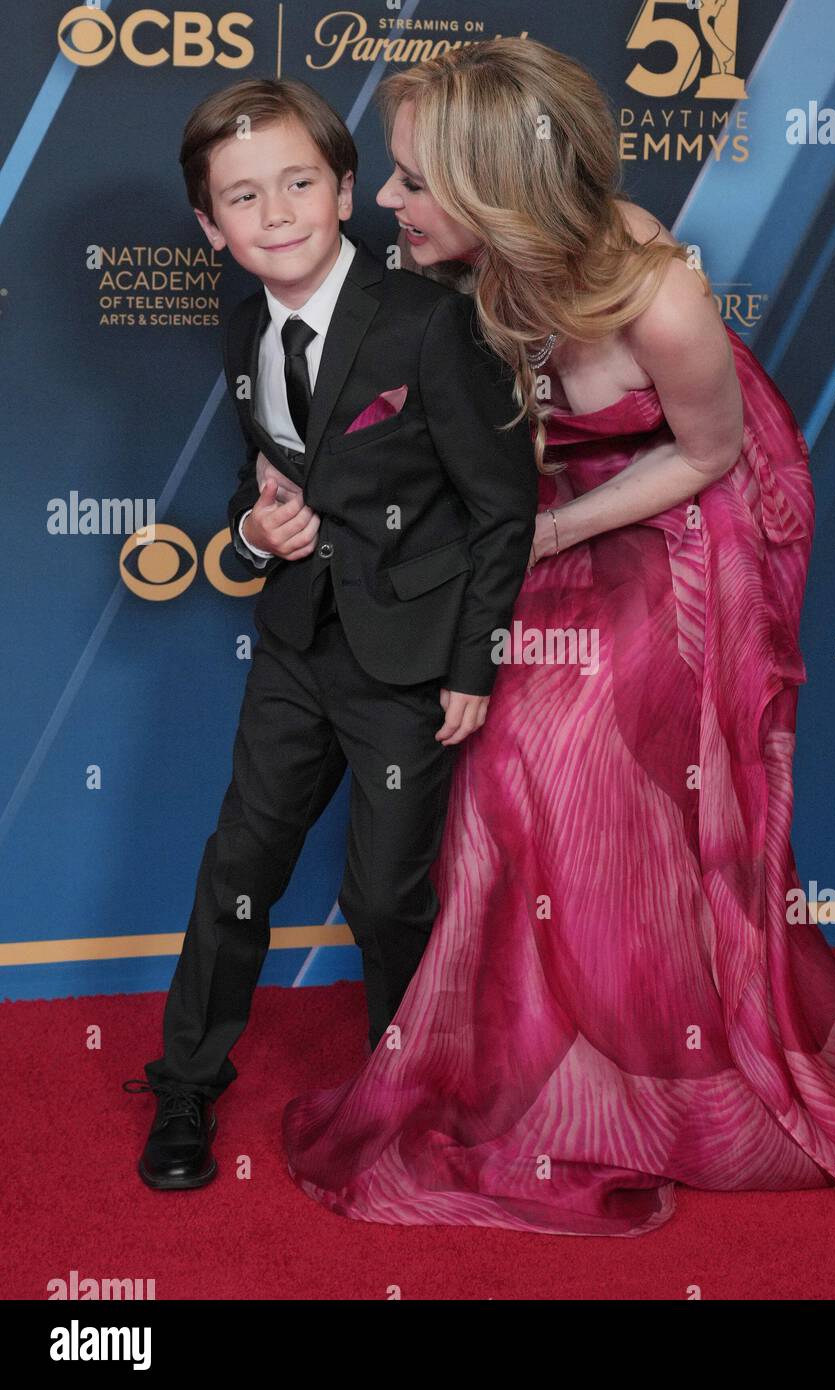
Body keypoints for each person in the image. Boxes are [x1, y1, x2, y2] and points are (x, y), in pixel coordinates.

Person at [280, 39, 835, 1235]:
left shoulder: (654, 291)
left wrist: (553, 530)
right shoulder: (475, 266)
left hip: (697, 507)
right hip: (573, 489)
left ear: (490, 188)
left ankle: (676, 1067)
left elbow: (710, 452)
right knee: (511, 762)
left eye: (413, 180)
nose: (384, 200)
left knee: (623, 769)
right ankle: (553, 1058)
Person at [122, 76, 538, 1189]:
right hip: (297, 645)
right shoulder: (239, 312)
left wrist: (471, 662)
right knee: (238, 867)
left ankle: (406, 1098)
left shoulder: (428, 321)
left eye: (299, 182)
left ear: (346, 188)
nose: (275, 214)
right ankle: (186, 1082)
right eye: (242, 198)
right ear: (212, 225)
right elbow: (254, 485)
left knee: (386, 896)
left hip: (407, 663)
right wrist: (254, 534)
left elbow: (503, 505)